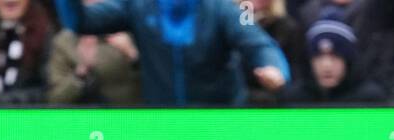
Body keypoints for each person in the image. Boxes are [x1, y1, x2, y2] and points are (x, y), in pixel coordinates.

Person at [54, 0, 290, 106]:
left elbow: (258, 42)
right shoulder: (137, 5)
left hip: (219, 123)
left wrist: (274, 68)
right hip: (164, 125)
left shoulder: (223, 8)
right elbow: (81, 22)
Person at [47, 0, 141, 105]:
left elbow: (154, 79)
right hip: (90, 118)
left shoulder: (128, 29)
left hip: (132, 115)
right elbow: (55, 99)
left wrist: (132, 54)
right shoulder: (65, 42)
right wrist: (81, 73)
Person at [286, 13, 386, 102]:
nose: (326, 65)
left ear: (348, 61)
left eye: (335, 57)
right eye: (318, 57)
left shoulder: (369, 99)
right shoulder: (294, 99)